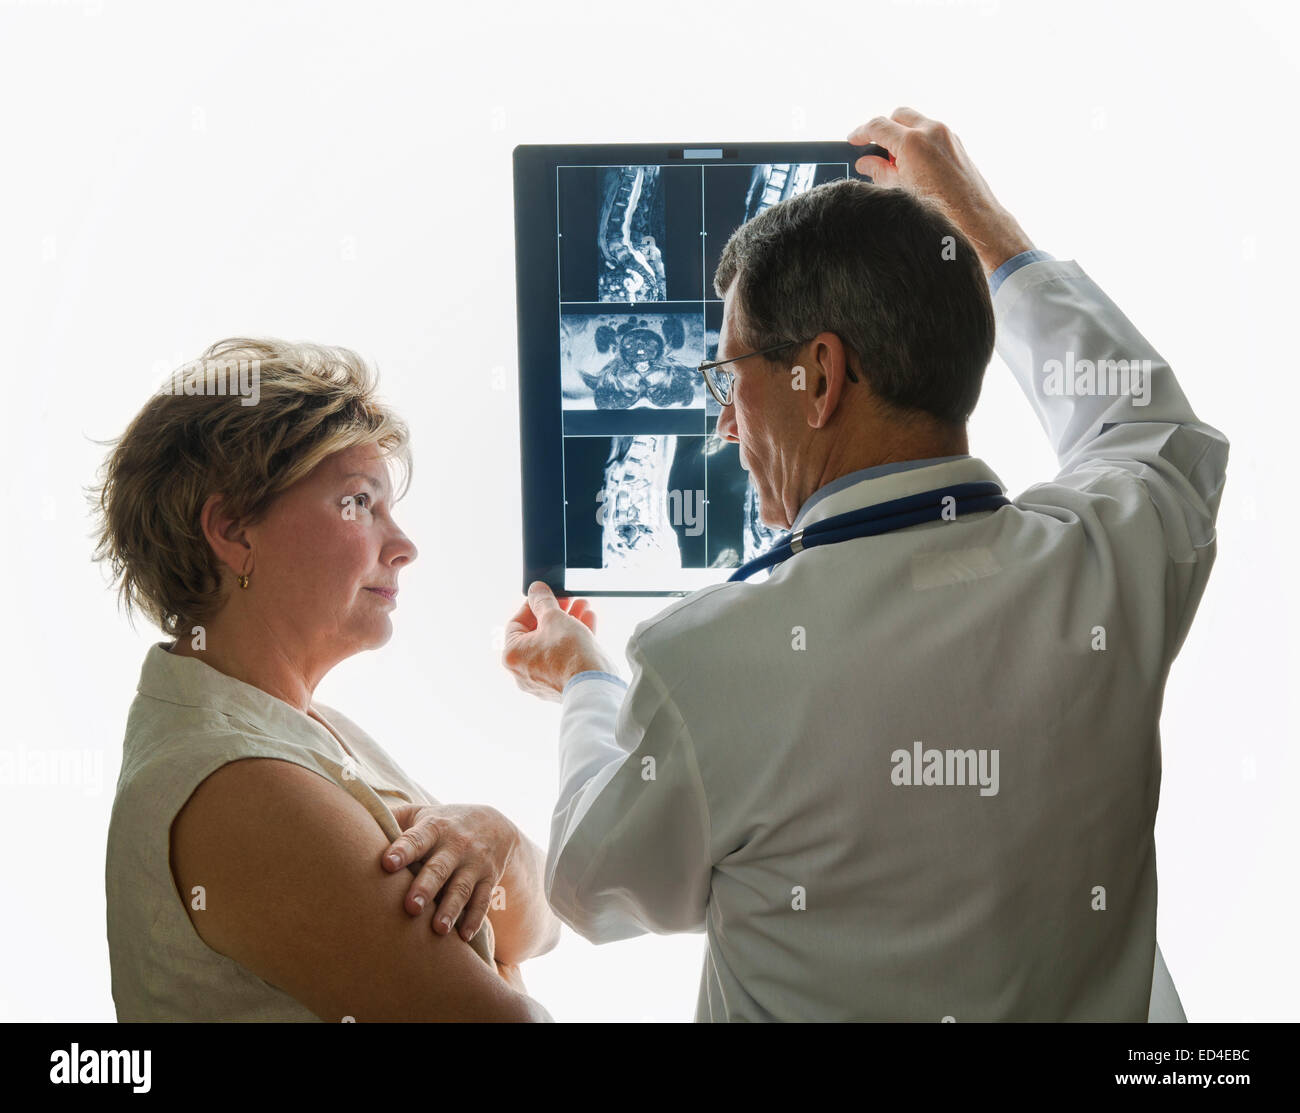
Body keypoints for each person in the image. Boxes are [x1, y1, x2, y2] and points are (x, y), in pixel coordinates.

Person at [501, 107, 1228, 1022]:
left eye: (731, 377)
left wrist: (584, 681)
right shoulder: (1110, 561)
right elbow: (1150, 427)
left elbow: (590, 880)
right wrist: (973, 213)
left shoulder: (712, 661)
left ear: (819, 375)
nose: (724, 423)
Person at [96, 339, 557, 1021]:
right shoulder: (236, 781)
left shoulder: (309, 728)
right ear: (232, 530)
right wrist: (496, 965)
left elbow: (541, 927)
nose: (403, 545)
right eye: (358, 502)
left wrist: (495, 835)